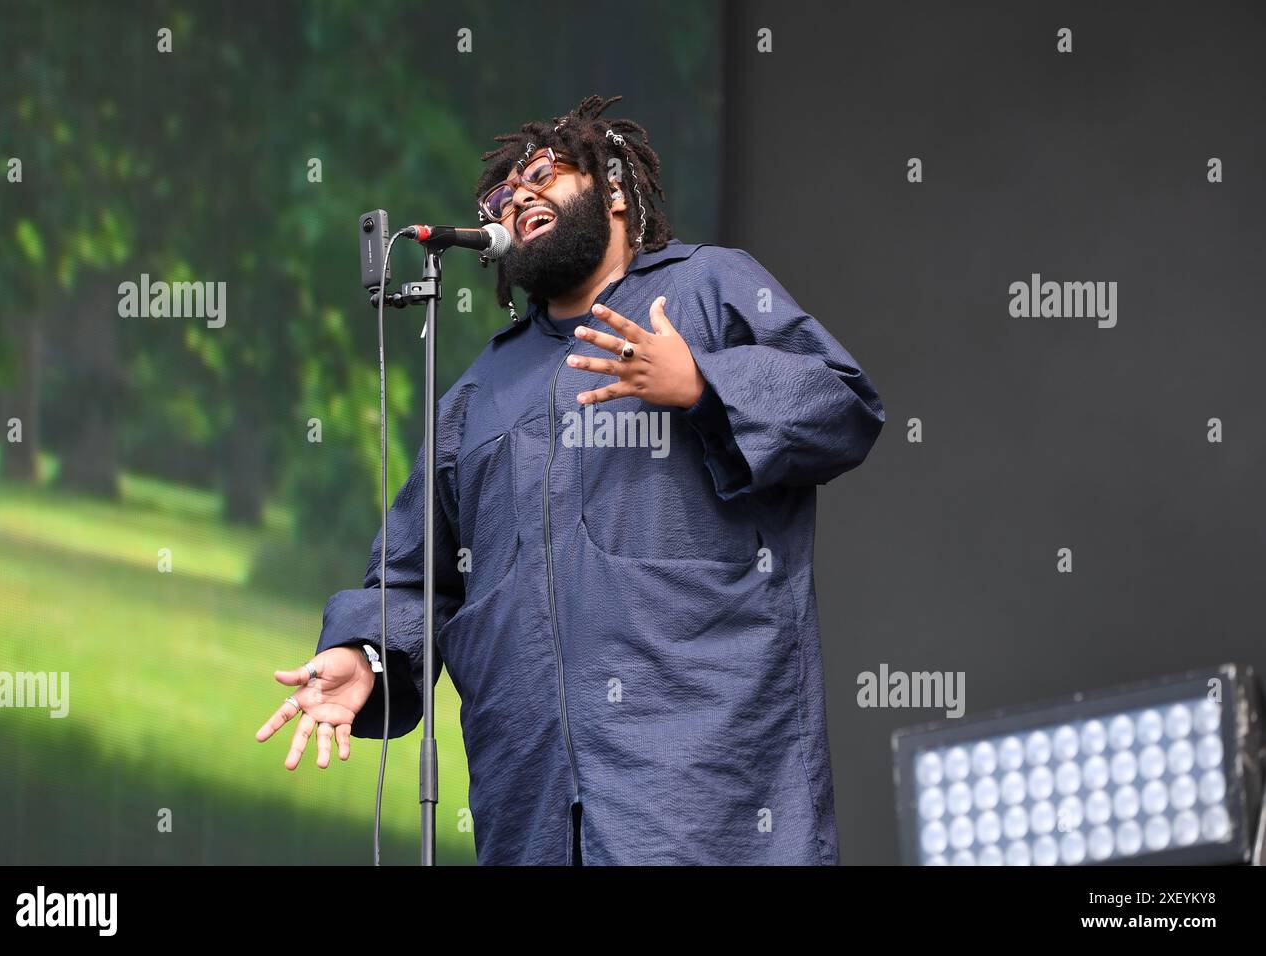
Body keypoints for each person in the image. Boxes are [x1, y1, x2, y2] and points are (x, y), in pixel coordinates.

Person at [255, 94, 886, 865]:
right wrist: (369, 654)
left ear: (615, 188)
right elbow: (415, 576)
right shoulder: (480, 391)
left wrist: (703, 383)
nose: (518, 196)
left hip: (702, 799)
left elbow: (843, 406)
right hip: (532, 811)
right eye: (502, 194)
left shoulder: (708, 286)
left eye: (543, 175)